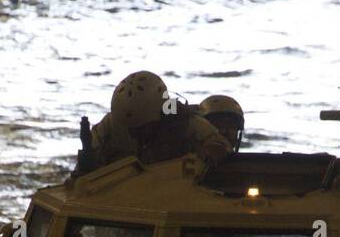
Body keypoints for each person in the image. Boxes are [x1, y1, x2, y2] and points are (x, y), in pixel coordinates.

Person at [72, 71, 232, 177]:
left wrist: (207, 154)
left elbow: (220, 144)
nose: (134, 134)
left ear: (160, 115)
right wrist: (86, 160)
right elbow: (82, 172)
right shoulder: (112, 124)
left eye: (141, 128)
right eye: (130, 129)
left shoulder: (184, 122)